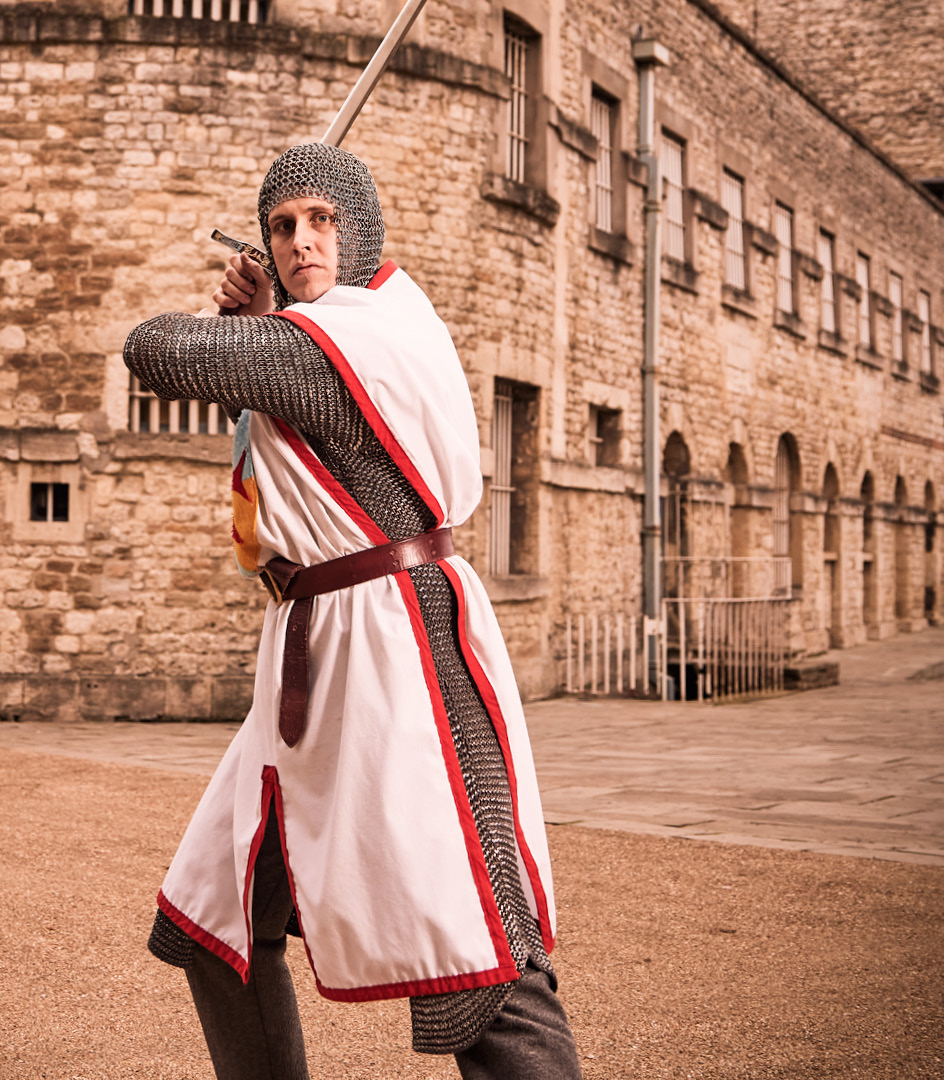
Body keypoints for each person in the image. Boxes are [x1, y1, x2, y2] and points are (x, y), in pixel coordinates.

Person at [123, 142, 582, 1080]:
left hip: (402, 650)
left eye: (322, 221)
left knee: (478, 944)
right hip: (318, 650)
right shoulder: (328, 339)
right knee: (218, 916)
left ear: (361, 234)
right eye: (282, 226)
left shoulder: (353, 343)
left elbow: (155, 347)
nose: (301, 240)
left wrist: (264, 326)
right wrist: (272, 323)